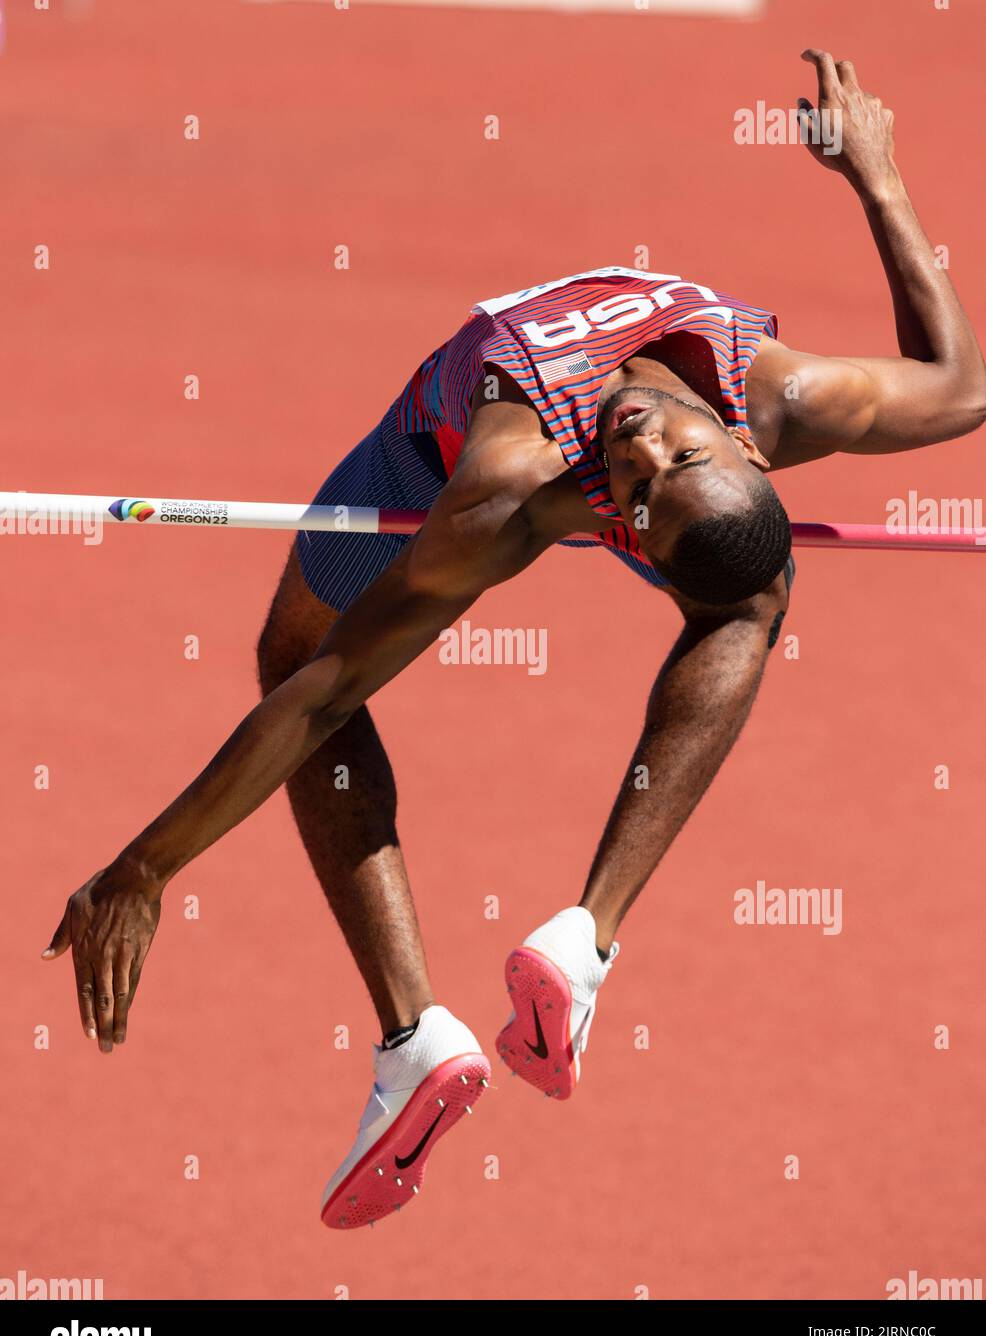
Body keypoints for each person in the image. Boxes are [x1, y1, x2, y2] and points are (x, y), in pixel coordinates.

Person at [44, 52, 986, 1230]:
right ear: (747, 443)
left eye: (640, 494)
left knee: (729, 588)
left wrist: (147, 866)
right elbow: (960, 386)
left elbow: (326, 693)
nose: (639, 450)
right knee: (735, 577)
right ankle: (527, 979)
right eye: (668, 467)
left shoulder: (533, 490)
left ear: (621, 537)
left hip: (460, 467)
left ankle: (478, 1002)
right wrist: (877, 174)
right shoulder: (765, 404)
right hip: (490, 458)